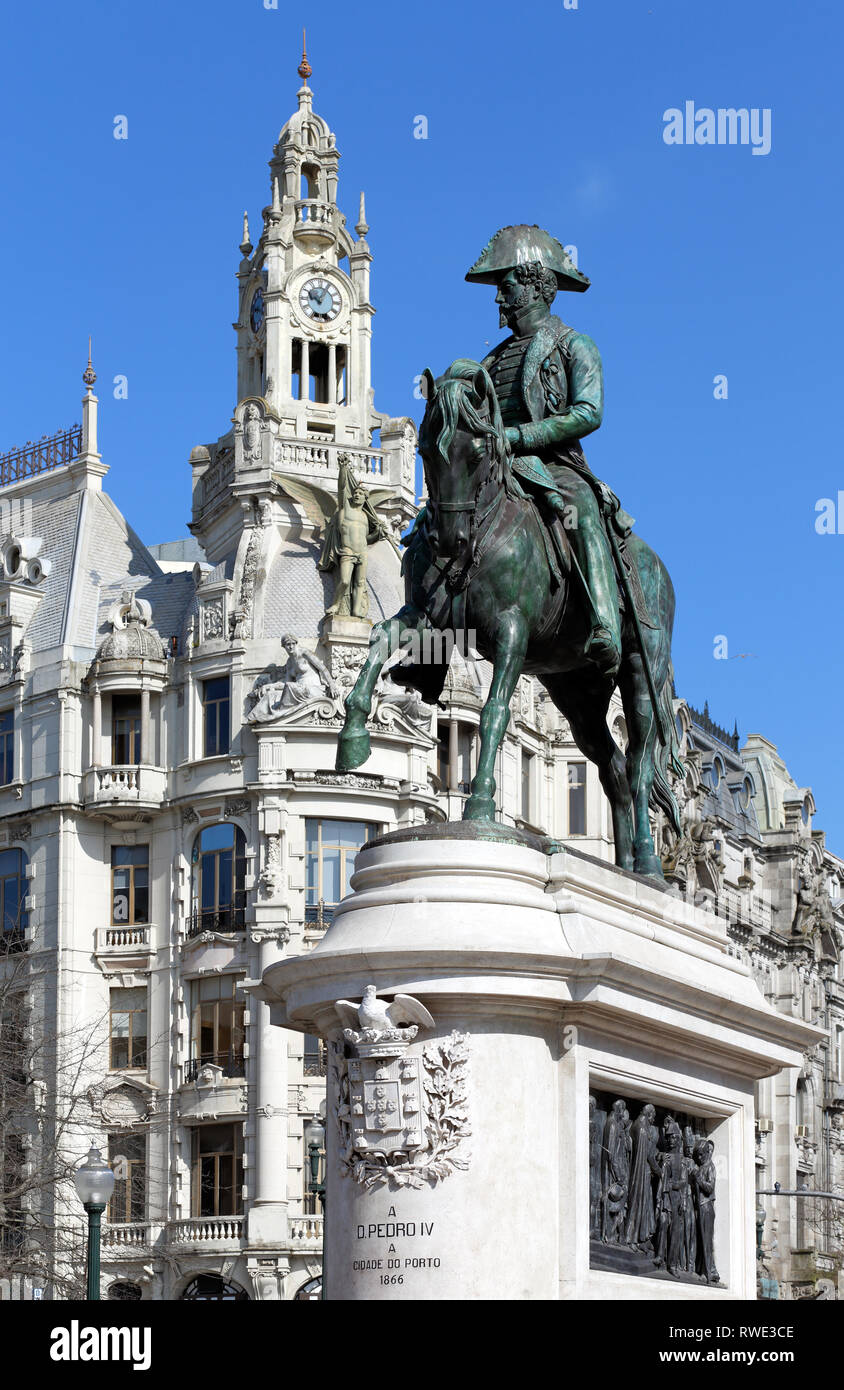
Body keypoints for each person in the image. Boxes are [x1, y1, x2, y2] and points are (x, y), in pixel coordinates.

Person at [465, 225, 632, 678]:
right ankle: (429, 653)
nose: (499, 297)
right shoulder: (489, 362)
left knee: (581, 511)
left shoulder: (575, 345)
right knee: (440, 517)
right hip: (500, 467)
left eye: (508, 286)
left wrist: (522, 437)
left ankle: (603, 622)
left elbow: (588, 413)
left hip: (555, 464)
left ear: (537, 285)